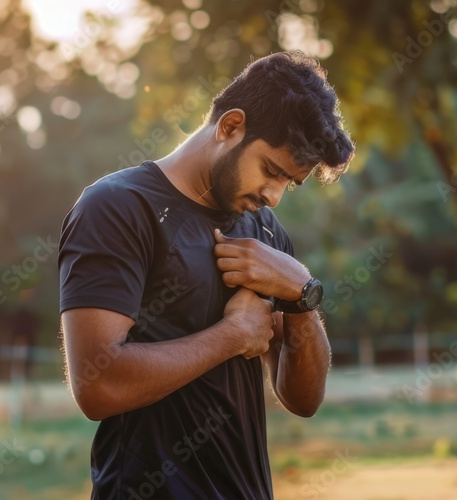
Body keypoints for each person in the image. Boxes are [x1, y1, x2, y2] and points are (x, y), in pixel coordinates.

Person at [58, 51, 354, 499]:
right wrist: (232, 336)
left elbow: (304, 400)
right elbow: (96, 385)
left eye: (289, 183)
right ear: (230, 126)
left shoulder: (265, 231)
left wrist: (302, 294)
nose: (274, 196)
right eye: (271, 170)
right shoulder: (117, 207)